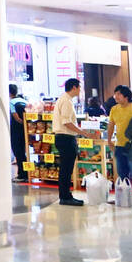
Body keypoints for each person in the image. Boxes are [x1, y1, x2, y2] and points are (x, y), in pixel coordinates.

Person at [52, 78, 88, 206]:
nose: (80, 90)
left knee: (65, 169)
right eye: (79, 87)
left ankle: (65, 195)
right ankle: (66, 197)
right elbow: (66, 122)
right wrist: (82, 132)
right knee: (66, 169)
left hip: (62, 138)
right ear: (74, 87)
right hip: (66, 138)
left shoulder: (63, 99)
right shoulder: (66, 101)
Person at [106, 85, 132, 191]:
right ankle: (124, 197)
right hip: (119, 146)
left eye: (118, 94)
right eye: (115, 94)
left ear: (126, 96)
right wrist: (109, 140)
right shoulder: (114, 109)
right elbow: (111, 125)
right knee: (122, 173)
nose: (115, 96)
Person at [10, 91, 29, 183]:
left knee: (18, 153)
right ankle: (27, 173)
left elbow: (16, 117)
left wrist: (21, 122)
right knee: (24, 153)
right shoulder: (24, 101)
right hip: (25, 131)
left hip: (16, 131)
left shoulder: (11, 102)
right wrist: (25, 125)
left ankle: (22, 175)